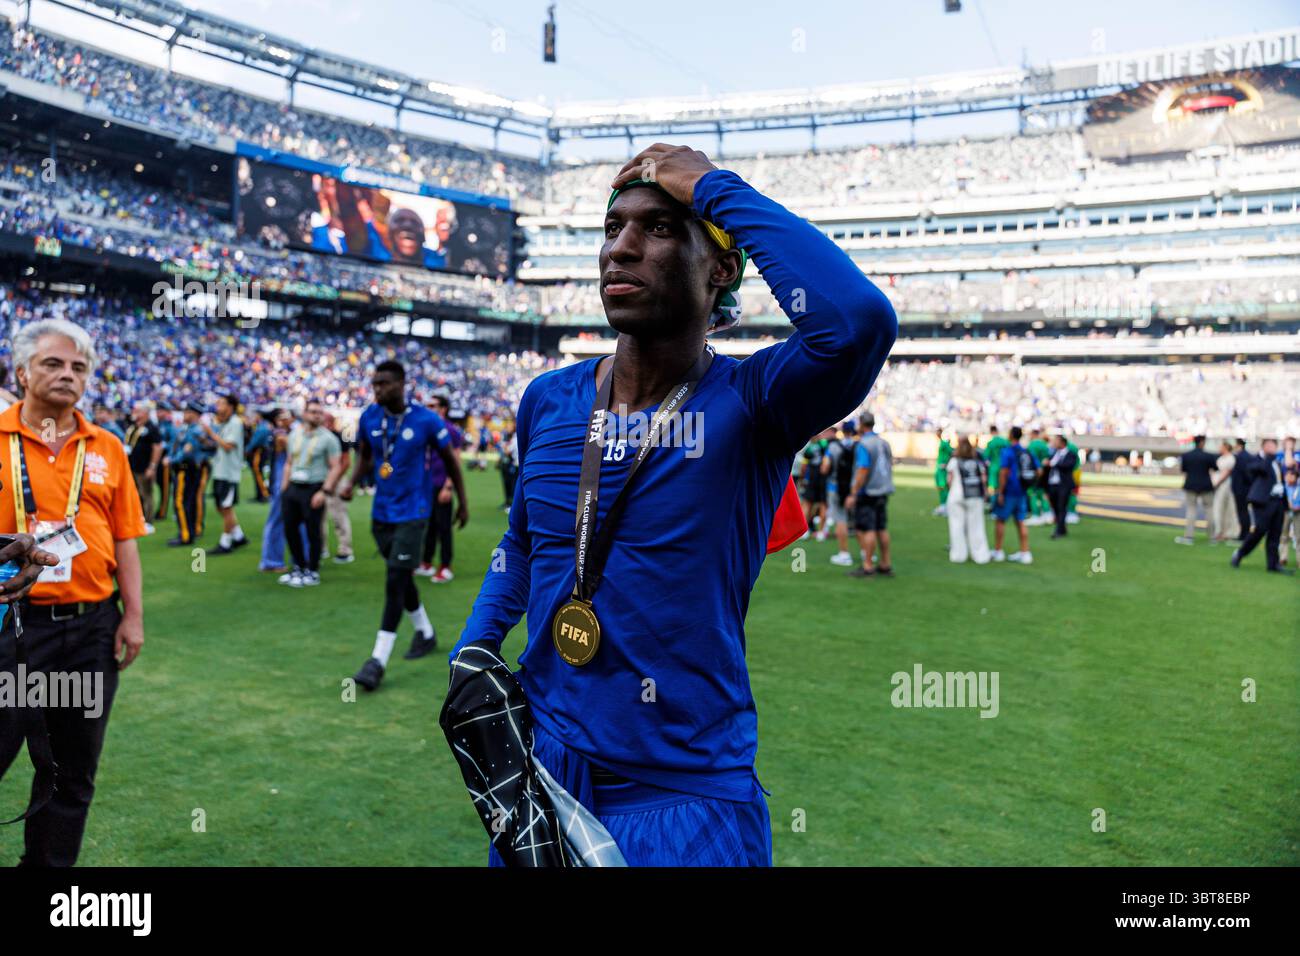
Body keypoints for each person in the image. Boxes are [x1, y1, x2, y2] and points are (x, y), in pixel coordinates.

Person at [450, 144, 896, 867]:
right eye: (612, 226)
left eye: (657, 229)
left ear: (720, 269)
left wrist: (717, 190)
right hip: (541, 774)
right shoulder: (550, 399)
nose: (619, 249)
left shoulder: (753, 402)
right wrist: (476, 642)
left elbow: (858, 322)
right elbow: (526, 543)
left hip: (686, 800)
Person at [0, 318, 147, 866]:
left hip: (88, 630)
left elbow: (127, 539)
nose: (68, 374)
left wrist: (131, 617)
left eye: (78, 367)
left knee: (69, 772)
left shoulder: (107, 446)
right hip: (14, 632)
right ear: (21, 372)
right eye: (53, 363)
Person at [339, 360, 469, 691]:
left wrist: (462, 502)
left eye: (383, 384)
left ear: (401, 384)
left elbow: (452, 461)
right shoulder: (370, 416)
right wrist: (351, 482)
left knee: (396, 578)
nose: (377, 389)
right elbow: (366, 457)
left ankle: (377, 661)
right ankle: (425, 632)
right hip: (382, 514)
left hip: (414, 511)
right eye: (374, 384)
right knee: (400, 576)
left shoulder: (425, 420)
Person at [278, 400, 345, 587]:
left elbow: (335, 467)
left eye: (319, 412)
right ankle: (298, 566)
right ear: (304, 413)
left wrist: (324, 491)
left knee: (313, 530)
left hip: (314, 487)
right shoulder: (295, 434)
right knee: (290, 529)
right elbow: (289, 462)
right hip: (293, 486)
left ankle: (312, 569)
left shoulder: (329, 438)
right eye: (313, 411)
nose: (317, 415)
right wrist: (284, 488)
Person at [418, 395, 464, 582]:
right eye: (427, 405)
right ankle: (426, 562)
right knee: (428, 526)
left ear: (443, 409)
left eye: (433, 405)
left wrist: (448, 485)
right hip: (426, 485)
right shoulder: (425, 428)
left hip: (441, 484)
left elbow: (456, 460)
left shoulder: (450, 430)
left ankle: (445, 566)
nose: (428, 408)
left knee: (444, 526)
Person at [845, 412, 895, 578]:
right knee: (881, 527)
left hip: (868, 491)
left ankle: (867, 565)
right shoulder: (883, 442)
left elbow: (863, 469)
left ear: (861, 424)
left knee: (867, 528)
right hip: (883, 489)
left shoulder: (864, 444)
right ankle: (885, 563)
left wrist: (853, 493)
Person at [1231, 439, 1291, 574]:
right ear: (1263, 447)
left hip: (1278, 501)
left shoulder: (1277, 461)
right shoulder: (1256, 459)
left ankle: (1273, 564)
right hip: (1263, 501)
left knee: (1275, 534)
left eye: (1273, 446)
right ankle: (1240, 553)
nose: (1272, 448)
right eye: (1269, 446)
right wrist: (1268, 457)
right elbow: (1259, 470)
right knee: (1260, 530)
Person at [200, 394, 248, 556]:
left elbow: (228, 446)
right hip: (221, 471)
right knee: (221, 507)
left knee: (226, 508)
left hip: (229, 472)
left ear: (230, 406)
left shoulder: (235, 423)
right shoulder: (226, 423)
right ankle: (238, 536)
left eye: (221, 403)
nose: (218, 406)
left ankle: (225, 542)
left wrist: (210, 433)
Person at [991, 426, 1037, 564]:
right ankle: (1025, 553)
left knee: (1000, 520)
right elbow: (1038, 470)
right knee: (1020, 521)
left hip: (1009, 491)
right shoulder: (1026, 451)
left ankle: (998, 551)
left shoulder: (1007, 451)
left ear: (1011, 435)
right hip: (1022, 491)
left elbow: (1003, 472)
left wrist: (1000, 491)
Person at [166, 402, 207, 547]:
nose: (184, 415)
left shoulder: (196, 431)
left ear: (195, 415)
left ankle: (185, 535)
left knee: (180, 502)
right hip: (184, 469)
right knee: (186, 502)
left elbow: (186, 452)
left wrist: (171, 460)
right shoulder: (188, 429)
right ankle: (187, 531)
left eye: (188, 412)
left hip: (185, 469)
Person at [945, 436, 990, 563]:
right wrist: (985, 492)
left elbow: (949, 480)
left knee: (956, 525)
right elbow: (983, 479)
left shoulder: (954, 460)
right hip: (974, 496)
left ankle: (958, 555)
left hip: (956, 495)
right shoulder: (976, 460)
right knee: (976, 526)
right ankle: (980, 555)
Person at [319, 410, 354, 565]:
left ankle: (345, 550)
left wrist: (334, 480)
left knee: (338, 515)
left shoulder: (339, 437)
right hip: (321, 478)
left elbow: (346, 462)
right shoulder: (318, 437)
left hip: (336, 480)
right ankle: (321, 547)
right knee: (319, 516)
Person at [123, 401, 162, 535]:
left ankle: (149, 521)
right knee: (135, 494)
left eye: (138, 411)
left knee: (147, 494)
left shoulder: (152, 428)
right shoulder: (134, 426)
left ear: (145, 413)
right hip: (132, 466)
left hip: (144, 467)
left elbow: (157, 447)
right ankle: (139, 518)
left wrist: (152, 466)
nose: (135, 414)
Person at [822, 421, 856, 566]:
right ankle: (867, 552)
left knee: (840, 520)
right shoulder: (858, 446)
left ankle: (844, 553)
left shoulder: (834, 446)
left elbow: (824, 468)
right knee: (859, 520)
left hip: (835, 487)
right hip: (854, 488)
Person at [1175, 435, 1217, 545]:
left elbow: (1184, 469)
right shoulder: (1208, 456)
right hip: (1206, 485)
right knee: (1210, 510)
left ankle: (1189, 536)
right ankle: (1212, 537)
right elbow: (1215, 468)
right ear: (1202, 442)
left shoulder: (1187, 455)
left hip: (1191, 485)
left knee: (1191, 510)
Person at [1044, 433, 1079, 539]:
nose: (1054, 443)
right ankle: (1062, 528)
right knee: (1055, 507)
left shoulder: (1071, 454)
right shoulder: (1053, 453)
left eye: (1056, 441)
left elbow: (1068, 466)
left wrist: (1053, 464)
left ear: (1062, 442)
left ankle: (1058, 530)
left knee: (1061, 507)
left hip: (1064, 485)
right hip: (1052, 484)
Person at [1210, 440, 1240, 543]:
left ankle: (1227, 532)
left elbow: (1226, 473)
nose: (1219, 448)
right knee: (1219, 509)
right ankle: (1220, 531)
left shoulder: (1231, 458)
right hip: (1219, 485)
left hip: (1225, 486)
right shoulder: (1220, 458)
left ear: (1226, 447)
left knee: (1227, 509)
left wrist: (1215, 484)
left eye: (1221, 446)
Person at [1025, 427, 1052, 526]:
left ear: (1033, 434)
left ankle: (1036, 515)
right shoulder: (1044, 445)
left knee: (1033, 494)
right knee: (1043, 494)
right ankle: (1047, 514)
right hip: (1045, 472)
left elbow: (1029, 460)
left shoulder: (1032, 445)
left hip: (1034, 473)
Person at [246, 409, 273, 503]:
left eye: (254, 416)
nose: (253, 418)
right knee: (257, 473)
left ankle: (263, 495)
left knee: (258, 473)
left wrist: (247, 450)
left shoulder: (262, 427)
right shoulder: (262, 426)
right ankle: (259, 495)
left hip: (259, 451)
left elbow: (254, 441)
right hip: (260, 451)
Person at [1230, 438, 1252, 542]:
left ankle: (1244, 534)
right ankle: (1245, 533)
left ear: (1239, 445)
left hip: (1241, 489)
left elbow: (1245, 473)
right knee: (1244, 512)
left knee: (1242, 512)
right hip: (1245, 488)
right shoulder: (1247, 456)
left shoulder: (1241, 456)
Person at [983, 425, 1008, 510]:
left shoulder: (990, 443)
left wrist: (989, 464)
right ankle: (1004, 506)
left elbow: (986, 457)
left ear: (991, 432)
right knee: (1003, 486)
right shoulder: (1004, 441)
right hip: (1004, 467)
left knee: (993, 488)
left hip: (994, 467)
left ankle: (994, 508)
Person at [932, 428, 952, 518]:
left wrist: (946, 463)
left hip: (942, 470)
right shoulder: (942, 443)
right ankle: (943, 506)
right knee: (940, 487)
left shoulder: (944, 444)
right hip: (939, 469)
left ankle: (946, 507)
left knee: (943, 487)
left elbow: (952, 452)